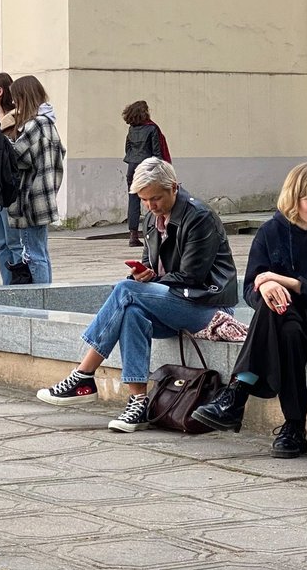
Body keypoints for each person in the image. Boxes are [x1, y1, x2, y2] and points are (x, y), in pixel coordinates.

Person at [35, 158, 240, 432]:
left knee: (125, 291)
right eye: (144, 200)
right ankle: (139, 402)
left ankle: (83, 374)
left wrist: (149, 281)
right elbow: (151, 266)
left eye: (155, 198)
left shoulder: (199, 217)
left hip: (209, 307)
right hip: (174, 303)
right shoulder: (151, 220)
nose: (150, 206)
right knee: (132, 311)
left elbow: (192, 277)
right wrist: (142, 275)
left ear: (174, 188)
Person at [190, 163, 307, 457]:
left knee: (279, 313)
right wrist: (265, 287)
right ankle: (293, 428)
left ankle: (238, 394)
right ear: (294, 199)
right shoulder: (272, 232)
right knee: (285, 325)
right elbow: (250, 291)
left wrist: (289, 283)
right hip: (289, 323)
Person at [6, 76, 66, 284]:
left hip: (32, 196)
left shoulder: (35, 125)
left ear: (24, 97)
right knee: (40, 251)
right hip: (44, 194)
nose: (14, 103)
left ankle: (41, 297)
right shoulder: (49, 123)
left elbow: (17, 156)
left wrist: (1, 140)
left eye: (16, 98)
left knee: (33, 253)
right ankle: (46, 293)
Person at [0, 72, 25, 283]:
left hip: (9, 185)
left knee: (14, 241)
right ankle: (6, 283)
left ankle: (19, 283)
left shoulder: (17, 118)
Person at [122, 101, 170, 247]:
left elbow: (127, 149)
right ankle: (157, 230)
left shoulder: (131, 129)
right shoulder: (152, 128)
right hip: (147, 167)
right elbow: (156, 152)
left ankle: (133, 235)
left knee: (133, 200)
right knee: (154, 199)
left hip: (132, 167)